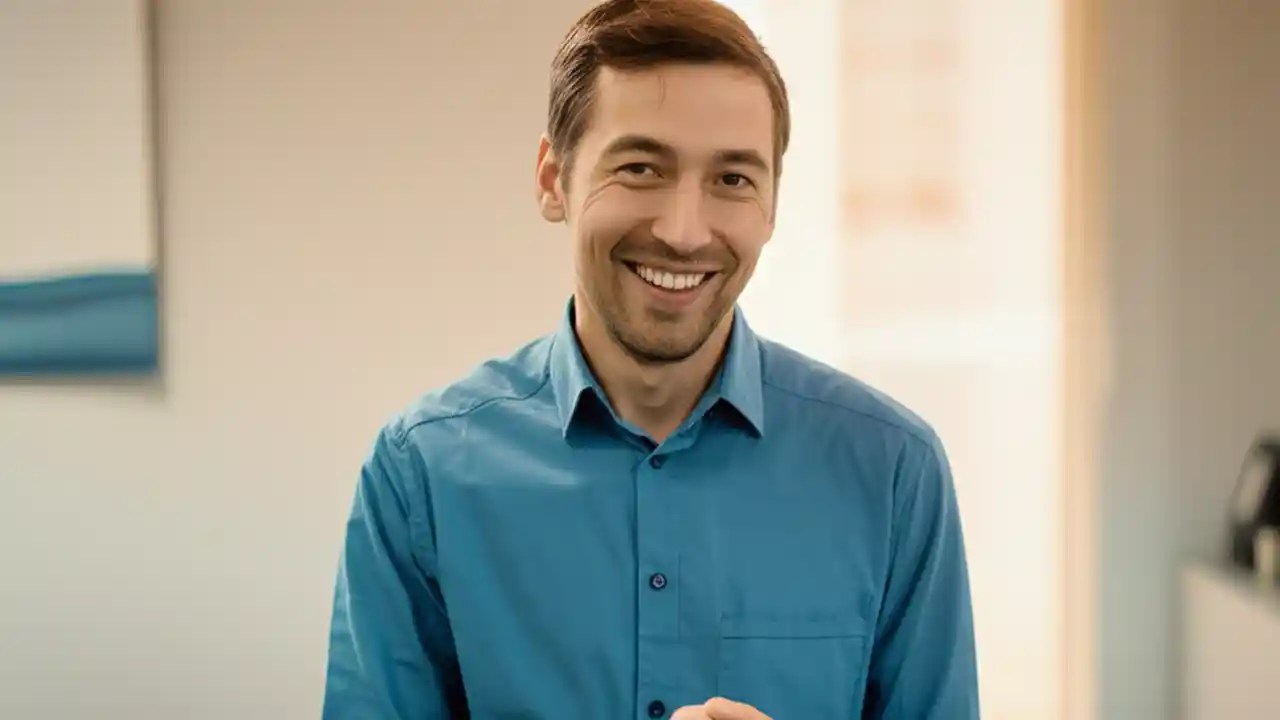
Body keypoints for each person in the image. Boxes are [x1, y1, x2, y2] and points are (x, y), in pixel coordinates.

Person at [322, 1, 979, 718]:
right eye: (639, 168)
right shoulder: (421, 475)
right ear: (552, 179)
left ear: (772, 205)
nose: (684, 231)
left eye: (732, 179)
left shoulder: (892, 473)